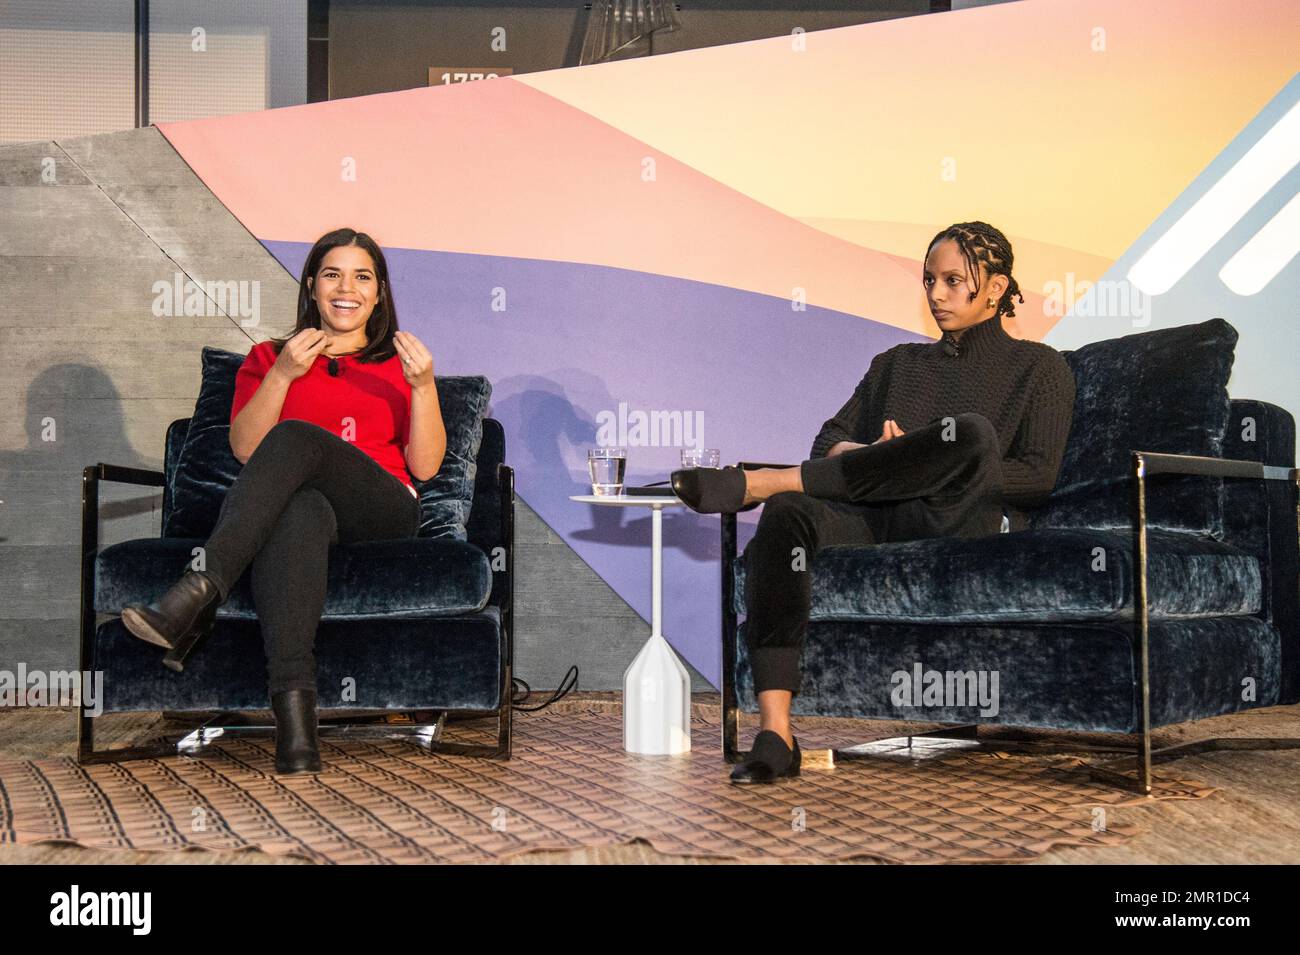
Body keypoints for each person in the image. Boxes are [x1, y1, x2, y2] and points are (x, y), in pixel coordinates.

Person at [671, 221, 1076, 784]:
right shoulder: (897, 363)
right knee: (789, 515)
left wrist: (929, 464)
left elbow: (1036, 476)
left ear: (996, 287)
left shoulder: (1040, 367)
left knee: (970, 435)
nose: (936, 294)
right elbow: (827, 443)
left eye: (954, 281)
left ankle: (762, 481)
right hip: (877, 513)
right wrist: (876, 456)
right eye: (929, 279)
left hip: (961, 517)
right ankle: (775, 732)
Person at [120, 228, 447, 775]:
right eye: (332, 274)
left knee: (295, 436)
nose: (347, 288)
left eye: (362, 276)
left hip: (382, 508)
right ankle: (297, 736)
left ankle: (196, 594)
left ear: (380, 292)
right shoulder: (272, 357)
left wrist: (424, 387)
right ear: (313, 288)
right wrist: (283, 374)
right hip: (312, 512)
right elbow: (247, 448)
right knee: (299, 511)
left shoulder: (398, 363)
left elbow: (427, 467)